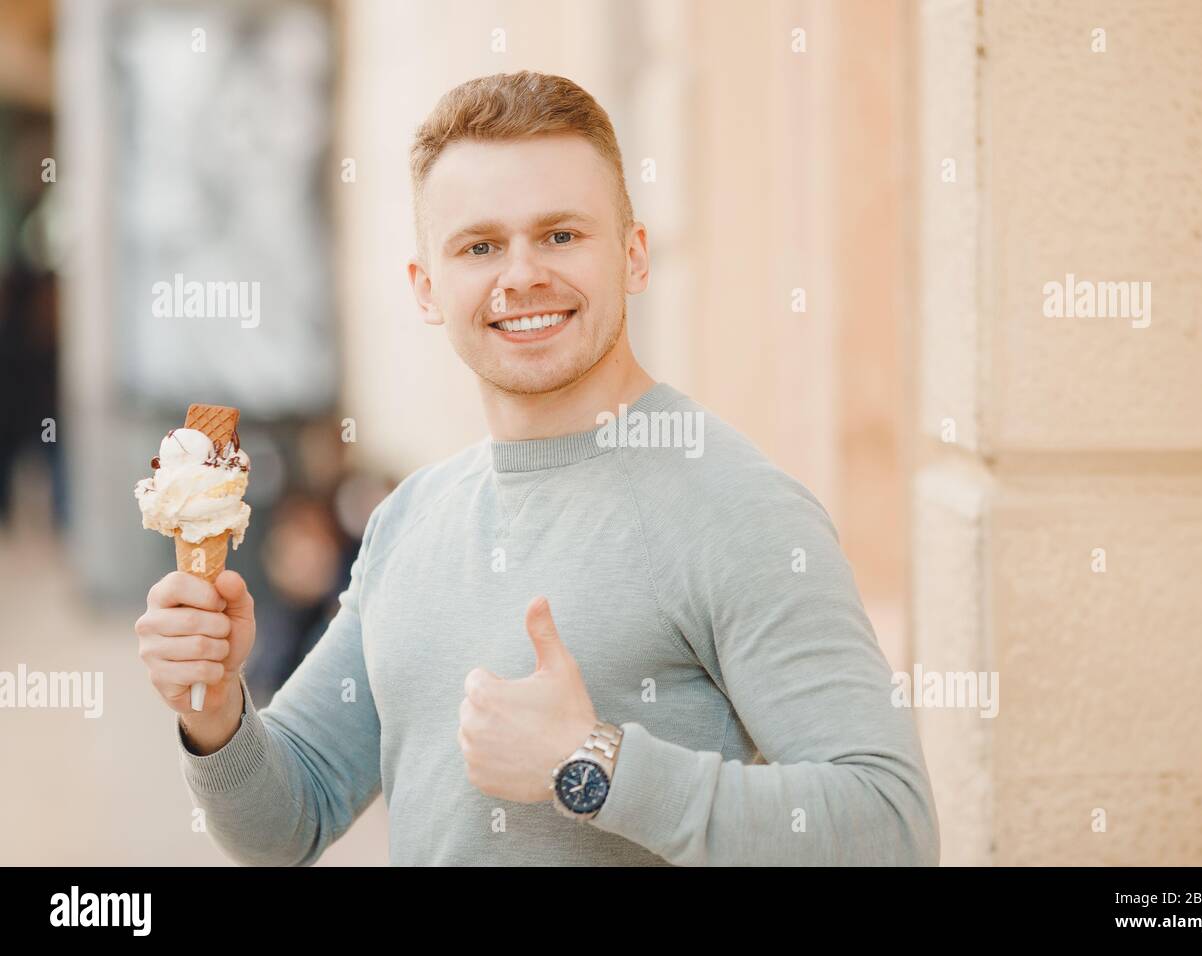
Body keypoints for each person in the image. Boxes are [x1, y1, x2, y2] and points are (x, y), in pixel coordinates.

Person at [134, 70, 940, 866]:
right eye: (480, 246)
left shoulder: (738, 508)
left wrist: (591, 764)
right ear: (427, 288)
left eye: (561, 234)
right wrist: (214, 707)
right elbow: (285, 824)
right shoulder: (411, 519)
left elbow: (890, 830)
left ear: (633, 256)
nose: (521, 275)